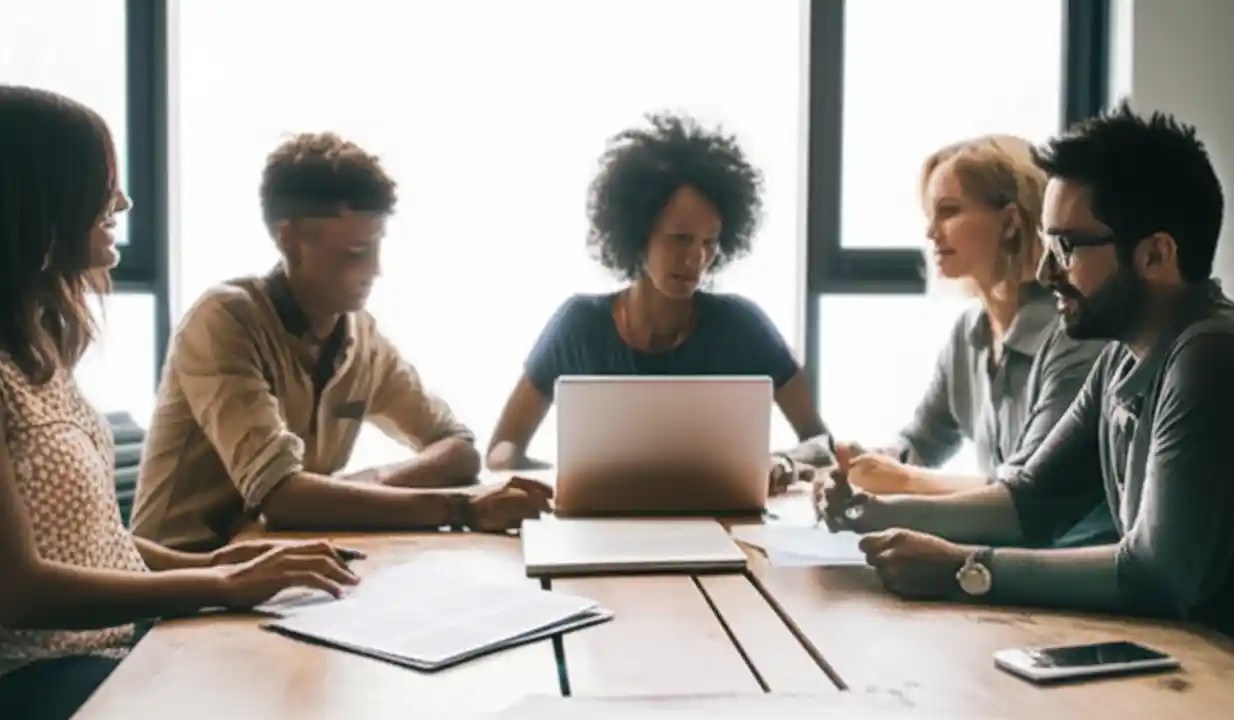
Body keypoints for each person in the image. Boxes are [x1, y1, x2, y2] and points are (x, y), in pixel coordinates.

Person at [821, 103, 1234, 660]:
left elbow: (1159, 574)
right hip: (1193, 663)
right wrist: (871, 510)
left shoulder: (1213, 356)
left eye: (1066, 246)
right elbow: (1030, 501)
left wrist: (967, 569)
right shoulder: (1121, 357)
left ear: (1156, 254)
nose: (1044, 271)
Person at [0, 85, 360, 720]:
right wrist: (216, 584)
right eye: (102, 182)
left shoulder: (40, 351)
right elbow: (18, 591)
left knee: (309, 677)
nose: (124, 202)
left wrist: (216, 562)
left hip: (105, 647)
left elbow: (98, 540)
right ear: (38, 198)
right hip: (33, 677)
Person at [132, 132, 552, 552]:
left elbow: (457, 448)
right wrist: (461, 509)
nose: (375, 269)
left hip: (282, 567)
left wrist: (372, 484)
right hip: (179, 587)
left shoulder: (359, 334)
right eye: (355, 253)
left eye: (376, 248)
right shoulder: (224, 321)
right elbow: (282, 497)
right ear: (289, 240)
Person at [802, 136, 1113, 547]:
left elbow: (1029, 493)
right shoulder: (969, 332)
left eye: (948, 212)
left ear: (1010, 223)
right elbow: (920, 442)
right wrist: (861, 465)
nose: (931, 232)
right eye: (929, 215)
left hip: (1064, 563)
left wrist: (902, 480)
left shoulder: (1073, 335)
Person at [486, 113, 827, 478]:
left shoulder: (743, 326)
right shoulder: (580, 326)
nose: (696, 258)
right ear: (638, 234)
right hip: (601, 531)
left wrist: (783, 464)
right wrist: (560, 478)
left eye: (709, 242)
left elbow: (821, 442)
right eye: (680, 238)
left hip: (721, 526)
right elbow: (502, 448)